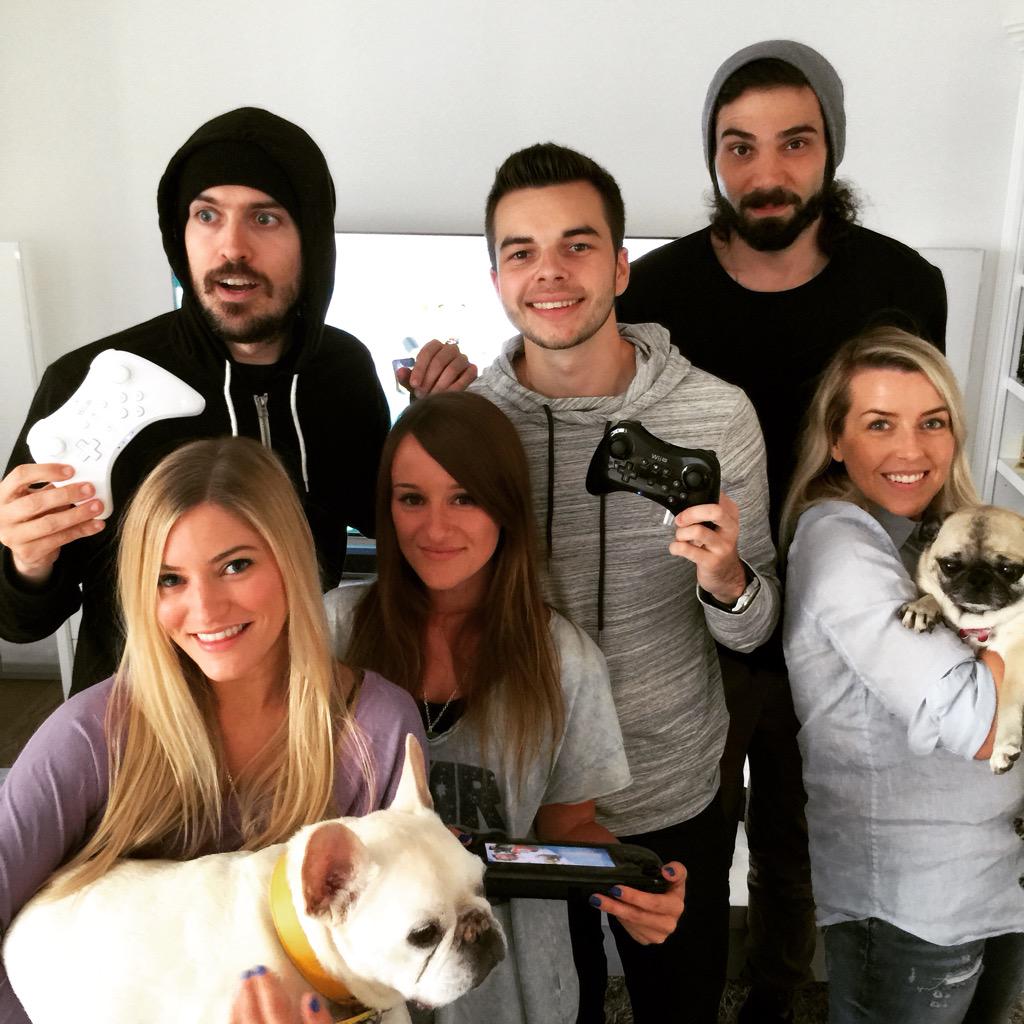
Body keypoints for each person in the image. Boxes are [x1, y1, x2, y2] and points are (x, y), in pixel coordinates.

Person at [615, 40, 948, 1021]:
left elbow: (914, 450)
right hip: (695, 619)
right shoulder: (657, 290)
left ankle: (778, 993)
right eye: (740, 146)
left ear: (830, 148)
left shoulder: (901, 284)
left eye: (794, 143)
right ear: (713, 156)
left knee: (807, 836)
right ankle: (680, 994)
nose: (765, 173)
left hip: (845, 617)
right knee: (689, 828)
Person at [0, 106, 473, 696]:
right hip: (143, 724)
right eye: (207, 215)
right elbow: (20, 622)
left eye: (265, 218)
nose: (232, 247)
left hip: (303, 709)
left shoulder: (342, 368)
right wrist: (26, 558)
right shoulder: (92, 385)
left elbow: (377, 516)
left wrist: (430, 422)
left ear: (310, 239)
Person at [470, 143, 779, 1024]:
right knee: (551, 1010)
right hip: (529, 795)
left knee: (680, 1007)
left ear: (619, 266)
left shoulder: (717, 413)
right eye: (521, 252)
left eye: (577, 244)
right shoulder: (471, 427)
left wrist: (726, 578)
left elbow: (758, 626)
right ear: (497, 279)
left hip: (673, 784)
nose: (550, 272)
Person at [0, 437, 425, 1024]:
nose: (205, 609)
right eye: (169, 579)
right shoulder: (87, 737)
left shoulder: (379, 729)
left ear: (291, 559)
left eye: (235, 565)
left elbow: (389, 956)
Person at [325, 391, 685, 1024]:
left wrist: (634, 888)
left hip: (508, 983)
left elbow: (568, 825)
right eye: (412, 499)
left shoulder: (563, 659)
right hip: (361, 979)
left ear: (507, 506)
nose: (435, 528)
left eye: (464, 498)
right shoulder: (332, 631)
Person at [780, 327, 1024, 1023]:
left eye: (932, 423)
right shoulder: (841, 546)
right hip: (915, 897)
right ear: (835, 438)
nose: (911, 450)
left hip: (994, 872)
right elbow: (980, 725)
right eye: (880, 424)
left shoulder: (948, 530)